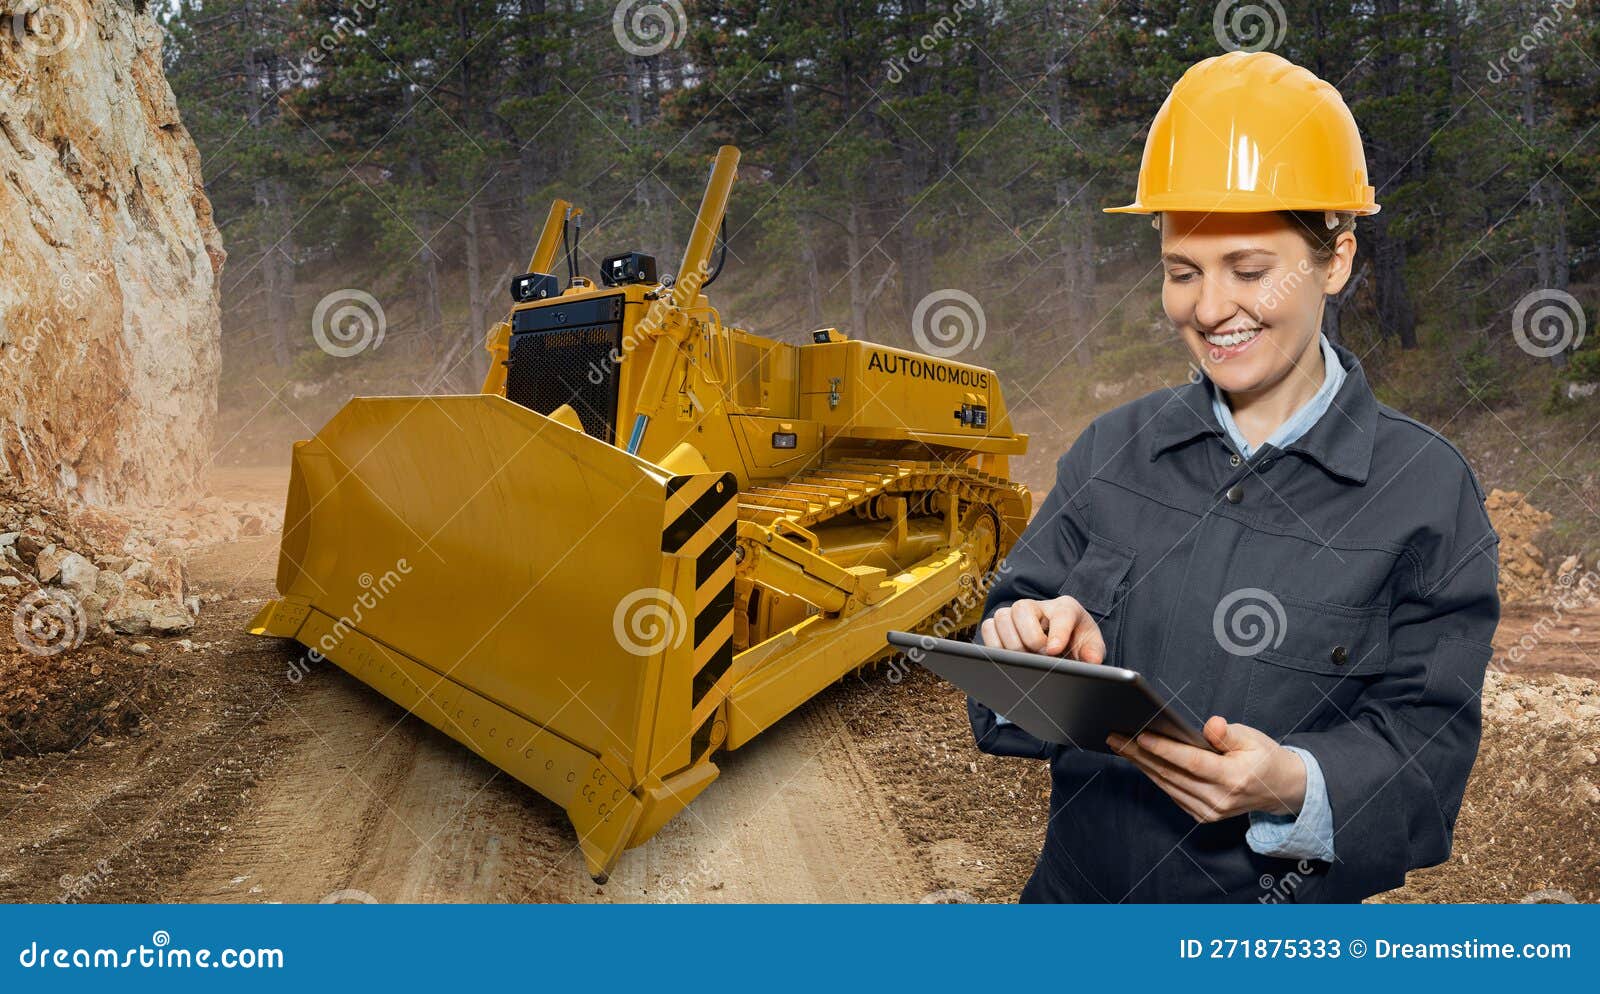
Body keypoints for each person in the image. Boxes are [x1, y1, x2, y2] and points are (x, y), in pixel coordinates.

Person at [969, 50, 1500, 903]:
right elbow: (999, 664)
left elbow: (1427, 758)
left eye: (1250, 270)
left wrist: (1295, 785)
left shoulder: (1427, 493)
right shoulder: (1111, 450)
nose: (1210, 308)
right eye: (1183, 272)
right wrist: (1023, 642)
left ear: (1336, 261)